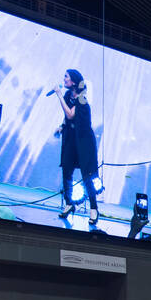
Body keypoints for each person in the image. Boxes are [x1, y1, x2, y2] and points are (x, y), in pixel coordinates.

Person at [54, 68, 101, 231]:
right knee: (66, 170)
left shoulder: (81, 99)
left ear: (73, 81)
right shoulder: (69, 95)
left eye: (66, 77)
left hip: (83, 141)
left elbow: (70, 114)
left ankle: (94, 209)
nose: (64, 79)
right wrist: (61, 126)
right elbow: (66, 119)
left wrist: (58, 95)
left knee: (87, 175)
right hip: (71, 139)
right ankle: (69, 204)